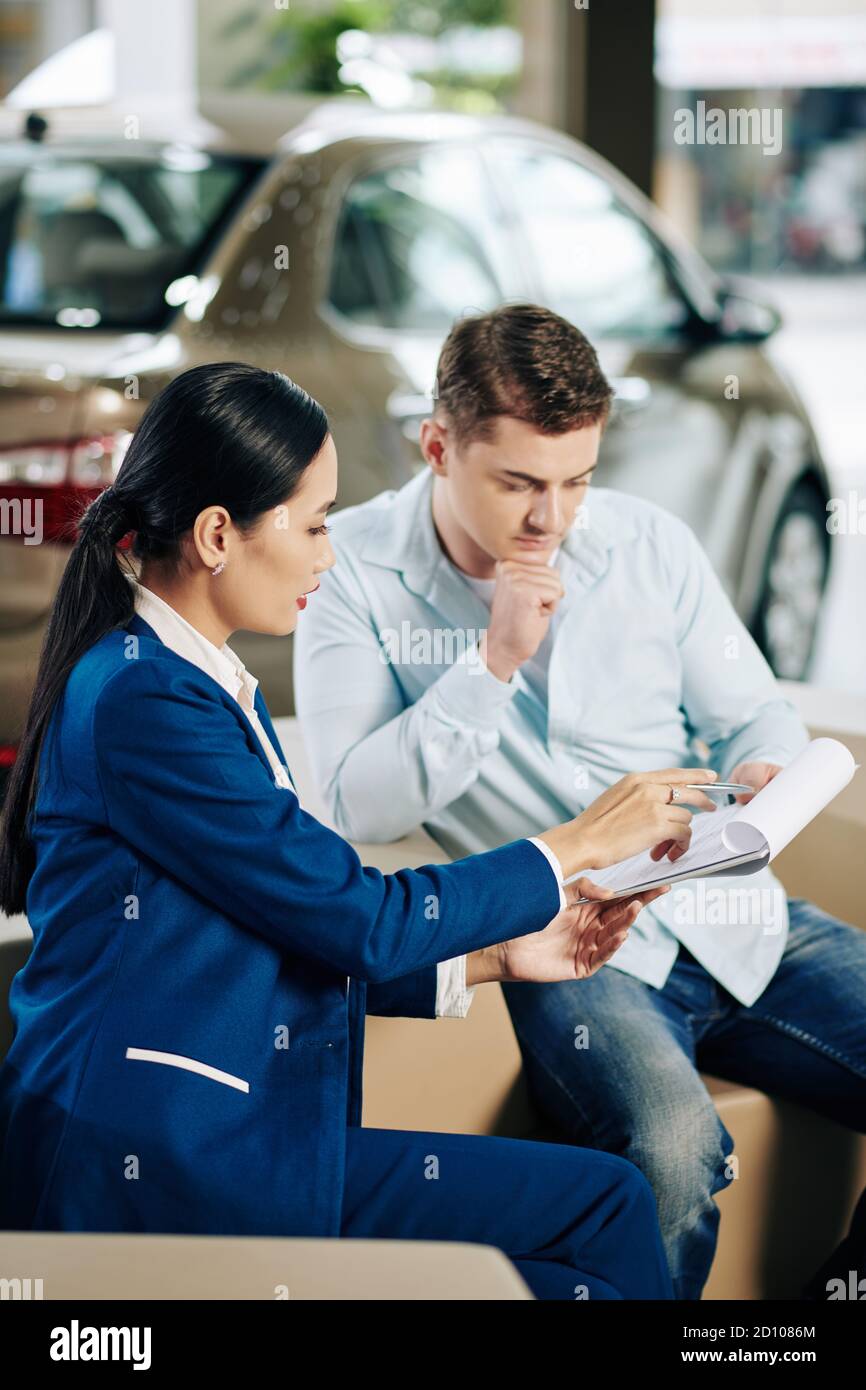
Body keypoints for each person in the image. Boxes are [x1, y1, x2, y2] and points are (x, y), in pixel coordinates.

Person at [0, 362, 716, 1301]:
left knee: (607, 1207)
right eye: (316, 522)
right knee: (590, 1239)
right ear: (220, 534)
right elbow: (358, 917)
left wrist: (501, 959)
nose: (328, 556)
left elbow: (285, 918)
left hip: (253, 1143)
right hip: (166, 1162)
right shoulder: (146, 699)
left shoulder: (194, 679)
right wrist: (577, 842)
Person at [293, 304, 866, 1301]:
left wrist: (766, 771)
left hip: (733, 917)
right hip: (575, 946)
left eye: (573, 482)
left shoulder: (649, 546)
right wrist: (490, 663)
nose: (549, 518)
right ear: (437, 446)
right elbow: (352, 802)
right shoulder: (346, 575)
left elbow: (752, 717)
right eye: (517, 482)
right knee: (674, 1150)